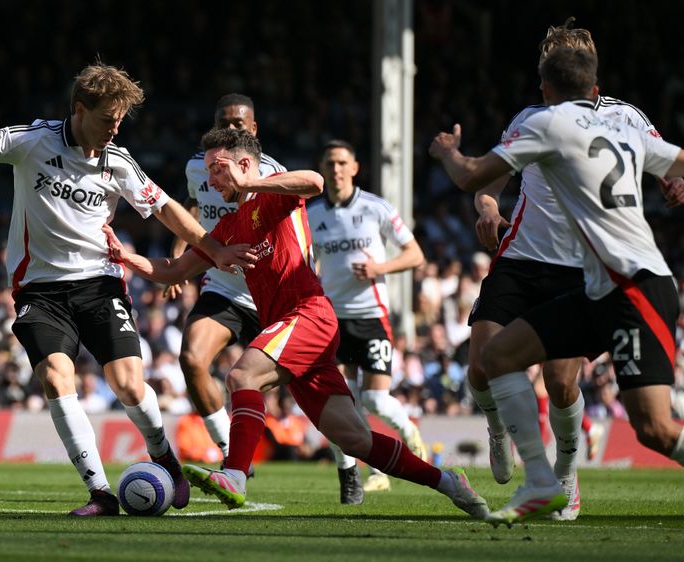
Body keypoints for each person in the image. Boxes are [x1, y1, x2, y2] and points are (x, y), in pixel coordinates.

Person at [429, 46, 684, 544]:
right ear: (595, 89)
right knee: (498, 356)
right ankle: (540, 481)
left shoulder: (548, 123)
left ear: (546, 90)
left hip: (633, 288)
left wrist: (447, 151)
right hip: (598, 286)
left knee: (655, 429)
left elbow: (473, 175)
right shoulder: (622, 127)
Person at [0, 61, 255, 516]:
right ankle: (100, 493)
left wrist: (213, 249)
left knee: (128, 385)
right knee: (57, 379)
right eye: (107, 119)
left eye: (121, 120)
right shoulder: (31, 141)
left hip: (100, 284)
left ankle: (164, 458)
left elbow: (167, 210)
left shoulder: (118, 161)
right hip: (39, 290)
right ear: (80, 109)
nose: (115, 129)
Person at [104, 127, 487, 517]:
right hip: (296, 328)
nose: (211, 179)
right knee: (354, 439)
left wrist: (253, 182)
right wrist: (125, 257)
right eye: (208, 171)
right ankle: (448, 481)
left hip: (307, 313)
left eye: (217, 169)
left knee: (241, 377)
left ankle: (235, 474)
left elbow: (315, 182)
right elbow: (175, 270)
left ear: (244, 164)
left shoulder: (271, 194)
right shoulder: (230, 227)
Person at [459, 18, 684, 521]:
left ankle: (565, 470)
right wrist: (489, 210)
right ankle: (497, 424)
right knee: (480, 369)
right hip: (520, 260)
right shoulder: (530, 119)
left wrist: (672, 185)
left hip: (581, 268)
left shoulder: (626, 118)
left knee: (562, 385)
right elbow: (487, 185)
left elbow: (667, 168)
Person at [307, 139, 427, 504]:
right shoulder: (310, 214)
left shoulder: (377, 208)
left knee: (374, 399)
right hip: (331, 320)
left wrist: (379, 268)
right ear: (323, 169)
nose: (336, 169)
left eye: (343, 162)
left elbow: (415, 254)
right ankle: (352, 476)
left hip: (372, 316)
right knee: (338, 403)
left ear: (355, 168)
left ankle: (408, 430)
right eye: (330, 163)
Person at [168, 94, 285, 467]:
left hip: (273, 295)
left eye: (239, 124)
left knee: (309, 386)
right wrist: (177, 256)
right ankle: (231, 452)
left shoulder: (275, 174)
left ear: (253, 130)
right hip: (224, 287)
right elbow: (194, 207)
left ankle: (346, 463)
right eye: (224, 123)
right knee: (191, 358)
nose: (231, 129)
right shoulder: (197, 167)